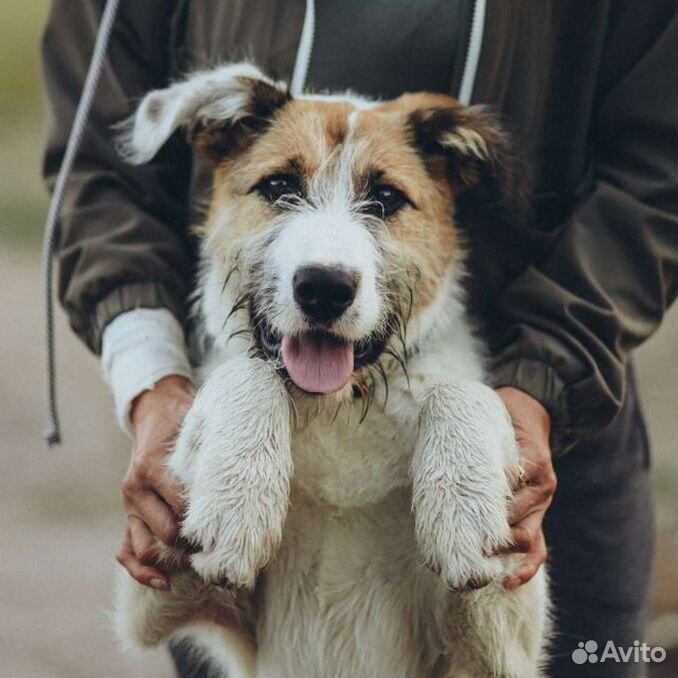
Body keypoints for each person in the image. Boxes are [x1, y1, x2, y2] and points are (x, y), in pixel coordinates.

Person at [42, 2, 677, 677]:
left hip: (558, 417)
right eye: (281, 187)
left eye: (385, 200)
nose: (327, 251)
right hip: (234, 401)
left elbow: (660, 169)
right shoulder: (236, 407)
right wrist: (155, 386)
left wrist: (539, 383)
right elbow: (96, 169)